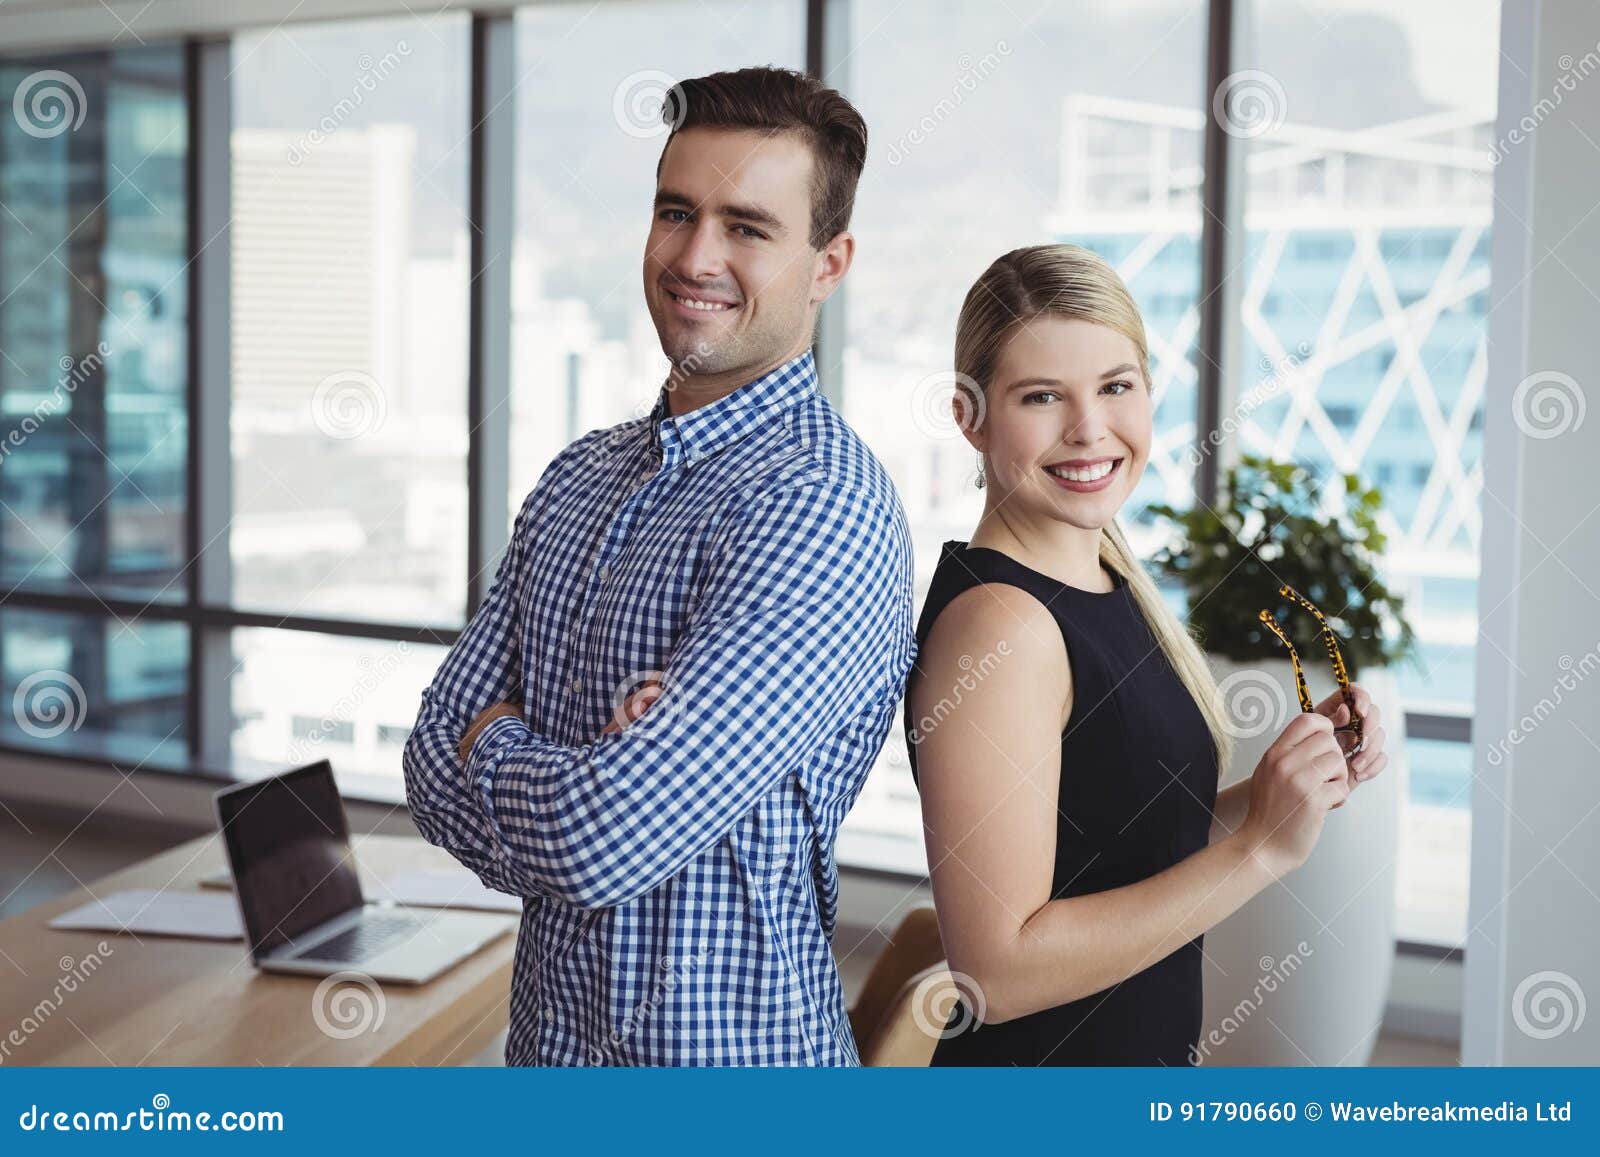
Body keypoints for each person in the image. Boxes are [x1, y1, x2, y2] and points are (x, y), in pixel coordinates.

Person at [402, 66, 916, 1066]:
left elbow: (602, 838)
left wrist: (499, 738)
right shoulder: (578, 478)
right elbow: (427, 766)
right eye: (675, 211)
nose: (696, 256)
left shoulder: (818, 504)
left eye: (748, 227)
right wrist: (579, 779)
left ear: (828, 263)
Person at [904, 243, 1390, 1066]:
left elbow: (1126, 844)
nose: (1090, 428)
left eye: (1116, 386)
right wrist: (1261, 848)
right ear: (969, 414)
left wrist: (1284, 790)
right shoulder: (1003, 626)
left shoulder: (1103, 574)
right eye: (1042, 395)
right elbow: (997, 970)